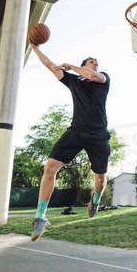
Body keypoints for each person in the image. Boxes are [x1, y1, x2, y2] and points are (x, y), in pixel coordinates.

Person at [29, 41, 111, 241]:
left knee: (100, 177)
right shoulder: (74, 81)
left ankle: (95, 201)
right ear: (85, 64)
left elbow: (92, 75)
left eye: (96, 63)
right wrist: (35, 48)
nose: (95, 64)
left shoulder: (103, 78)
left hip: (98, 134)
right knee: (50, 167)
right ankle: (40, 218)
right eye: (92, 62)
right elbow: (51, 66)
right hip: (76, 131)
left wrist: (72, 66)